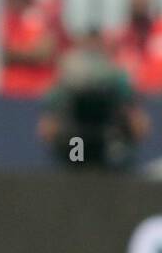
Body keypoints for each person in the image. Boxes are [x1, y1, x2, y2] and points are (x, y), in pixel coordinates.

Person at [38, 31, 150, 168]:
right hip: (75, 137)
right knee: (76, 160)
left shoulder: (116, 78)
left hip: (107, 136)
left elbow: (137, 121)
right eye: (89, 47)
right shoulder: (67, 79)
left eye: (96, 47)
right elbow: (49, 123)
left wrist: (130, 124)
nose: (92, 52)